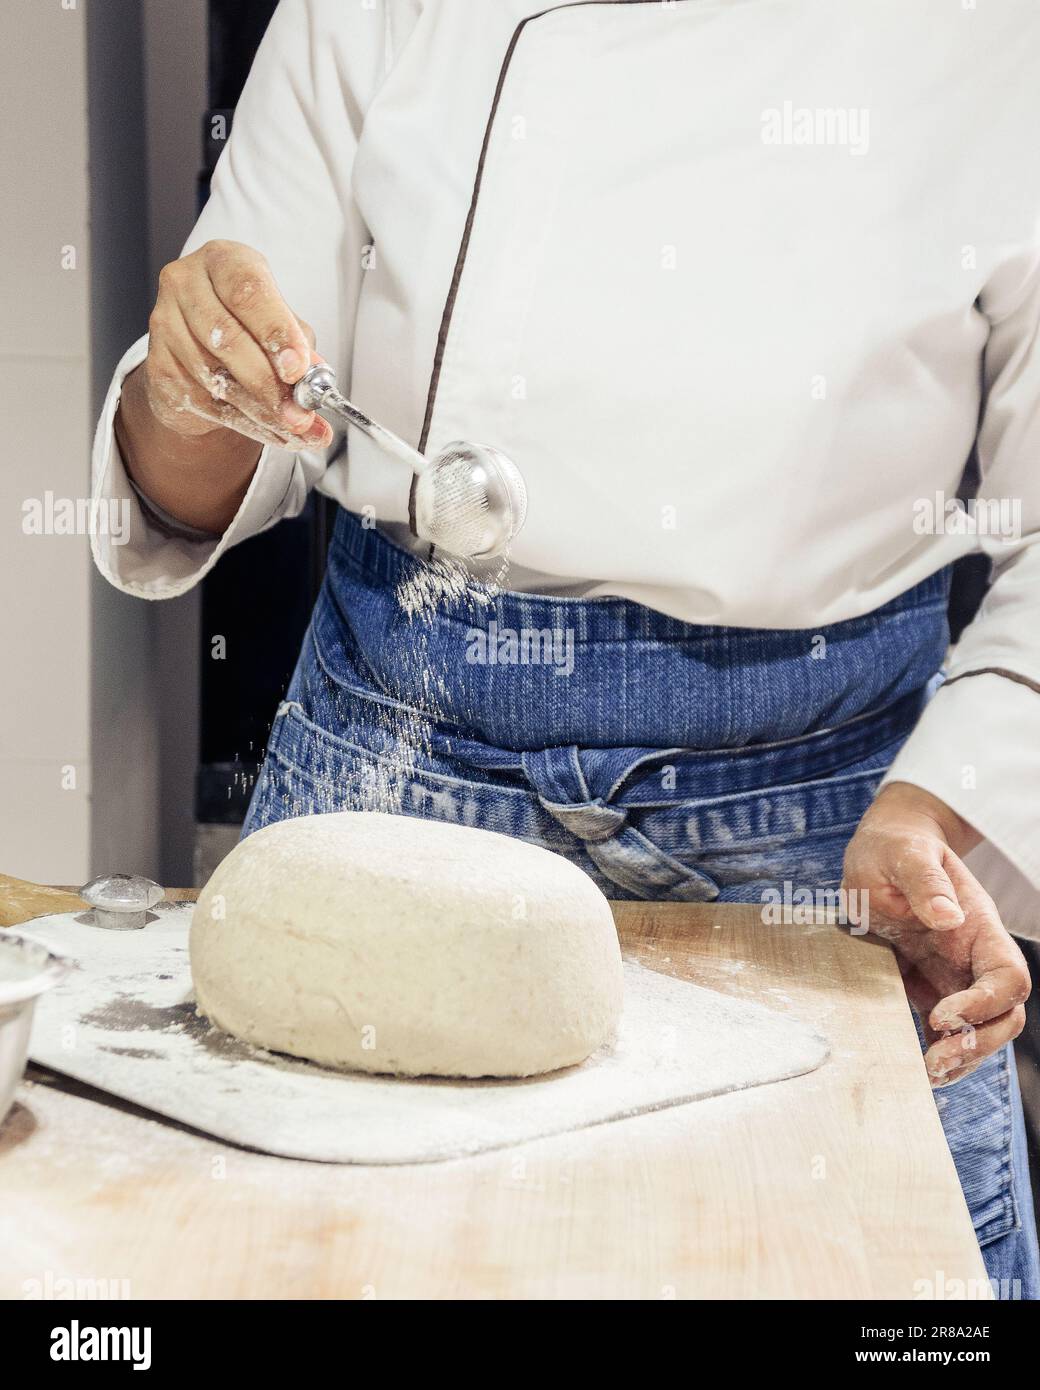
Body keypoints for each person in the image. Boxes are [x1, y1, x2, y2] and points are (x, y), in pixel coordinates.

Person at [92, 0, 1040, 1294]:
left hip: (828, 824)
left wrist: (943, 812)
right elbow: (200, 473)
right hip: (389, 759)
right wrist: (186, 383)